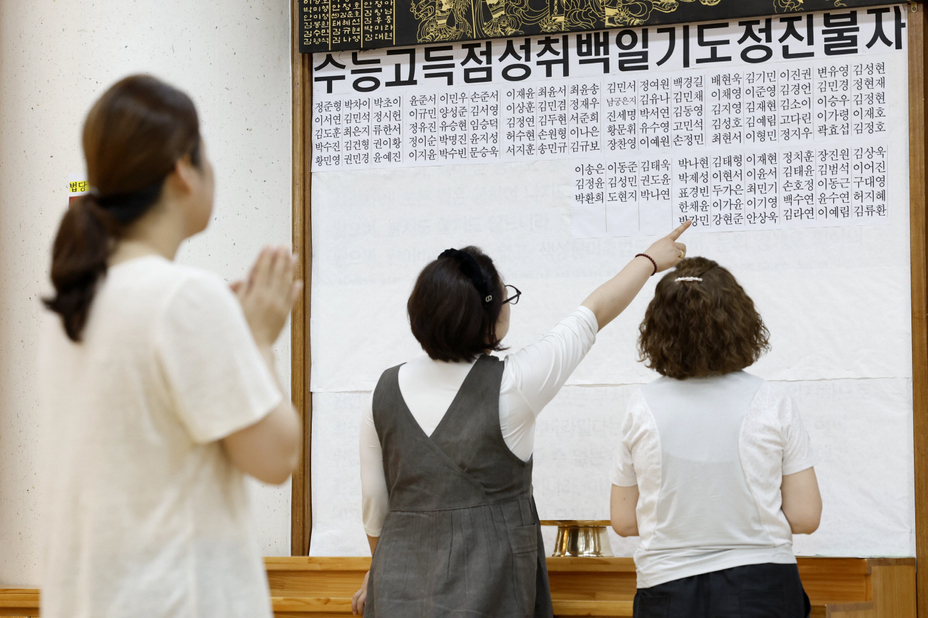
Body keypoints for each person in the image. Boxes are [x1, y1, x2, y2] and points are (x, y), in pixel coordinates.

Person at [39, 75, 302, 618]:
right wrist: (259, 338)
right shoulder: (183, 296)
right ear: (183, 168)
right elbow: (277, 457)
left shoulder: (78, 303)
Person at [351, 221, 691, 618]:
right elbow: (593, 313)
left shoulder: (383, 391)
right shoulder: (514, 384)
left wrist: (383, 567)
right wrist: (649, 260)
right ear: (490, 314)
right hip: (491, 586)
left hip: (397, 588)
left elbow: (375, 504)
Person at [609, 257, 822, 618]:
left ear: (657, 328)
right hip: (762, 587)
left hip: (666, 590)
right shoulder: (772, 401)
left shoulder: (641, 406)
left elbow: (625, 521)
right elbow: (805, 517)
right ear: (740, 321)